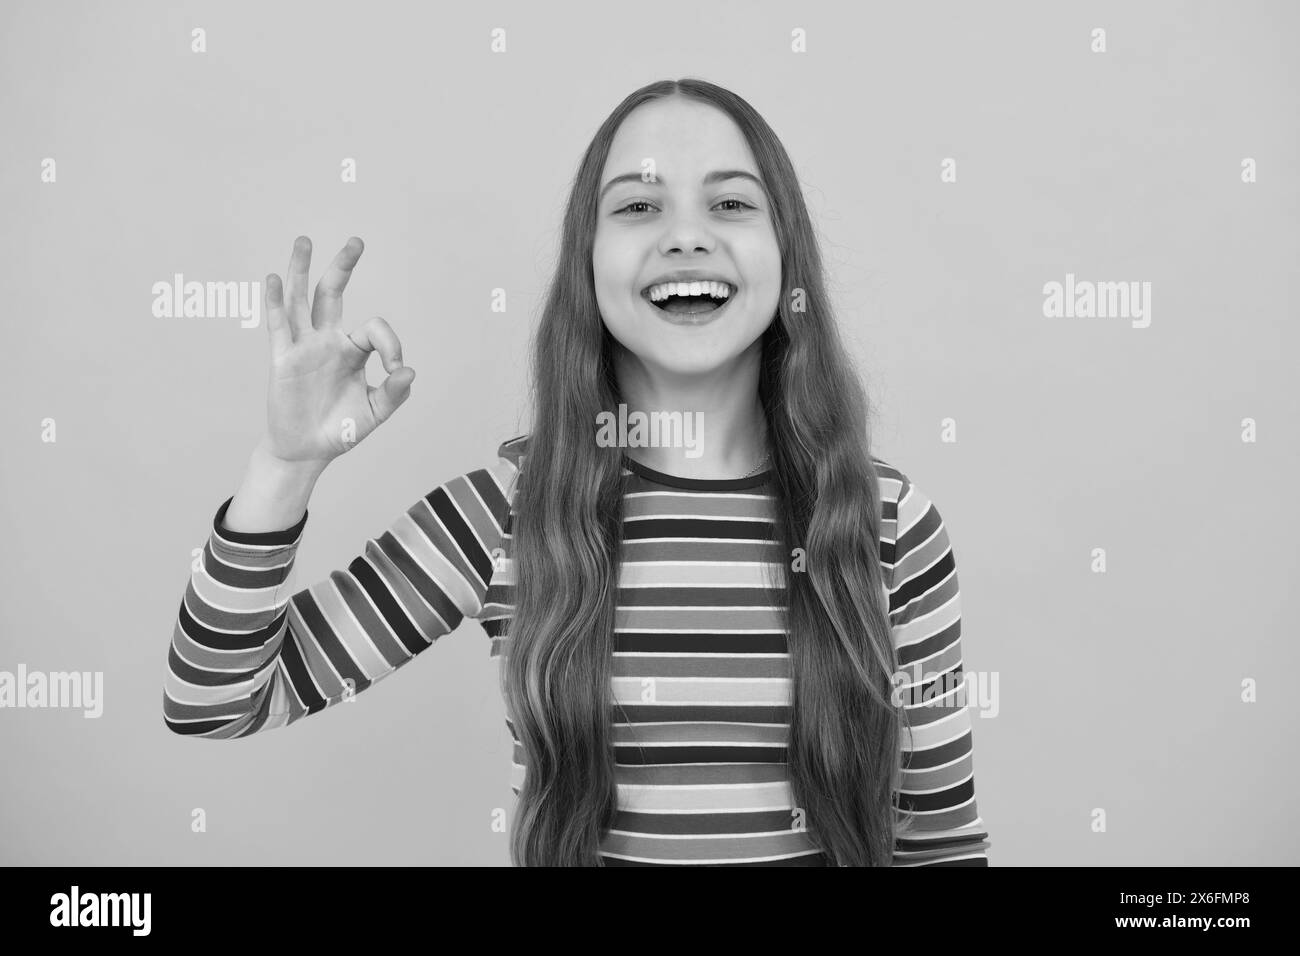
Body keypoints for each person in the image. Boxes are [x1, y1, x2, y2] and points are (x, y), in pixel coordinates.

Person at [163, 77, 991, 867]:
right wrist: (286, 465)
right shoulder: (502, 517)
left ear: (787, 256)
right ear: (587, 264)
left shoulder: (890, 523)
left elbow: (941, 845)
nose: (686, 235)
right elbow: (214, 703)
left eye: (731, 203)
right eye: (637, 206)